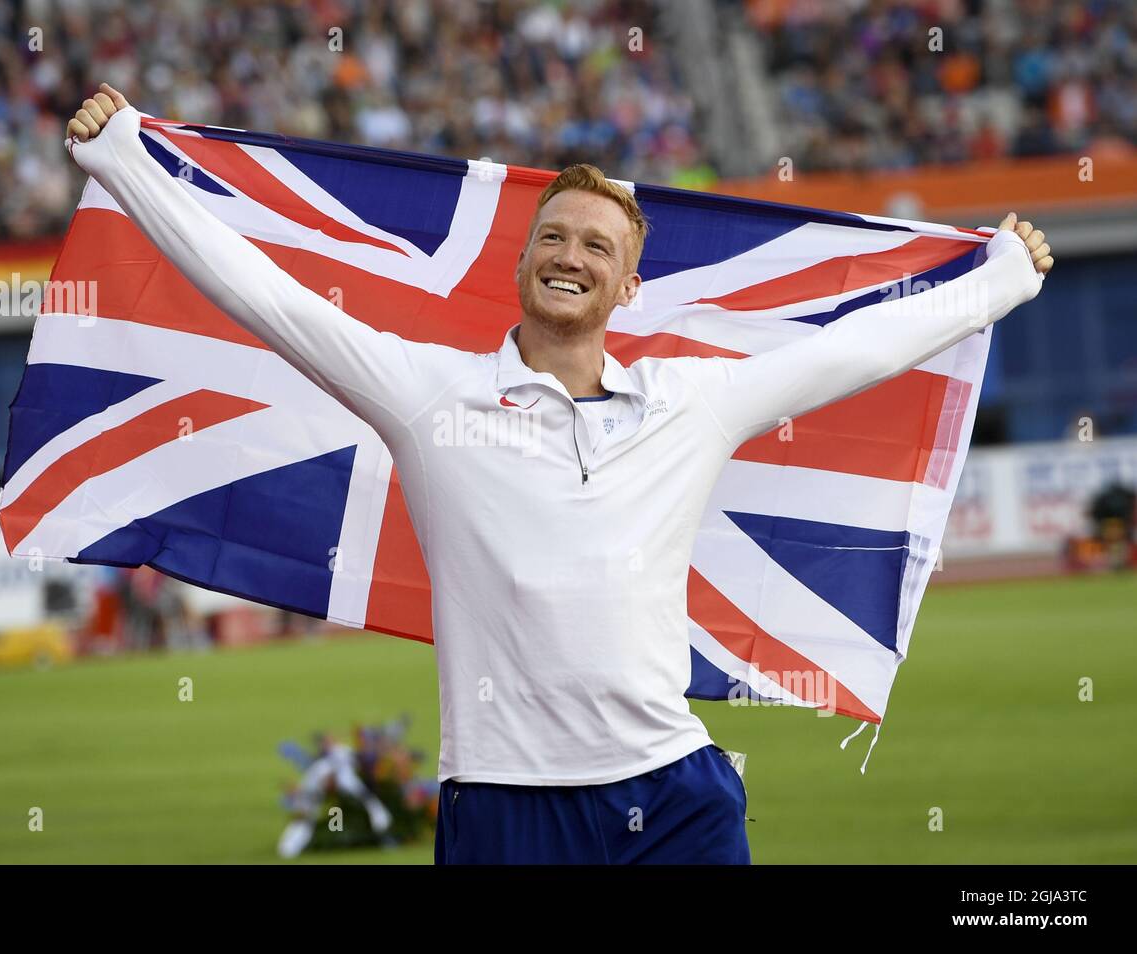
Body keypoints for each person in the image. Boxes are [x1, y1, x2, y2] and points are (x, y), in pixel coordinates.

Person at [66, 84, 1053, 864]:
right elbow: (267, 297)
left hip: (674, 795)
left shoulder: (690, 401)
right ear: (523, 261)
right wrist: (125, 163)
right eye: (552, 236)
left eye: (596, 245)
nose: (568, 255)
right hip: (504, 808)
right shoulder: (429, 397)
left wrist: (1000, 280)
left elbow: (857, 347)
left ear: (628, 286)